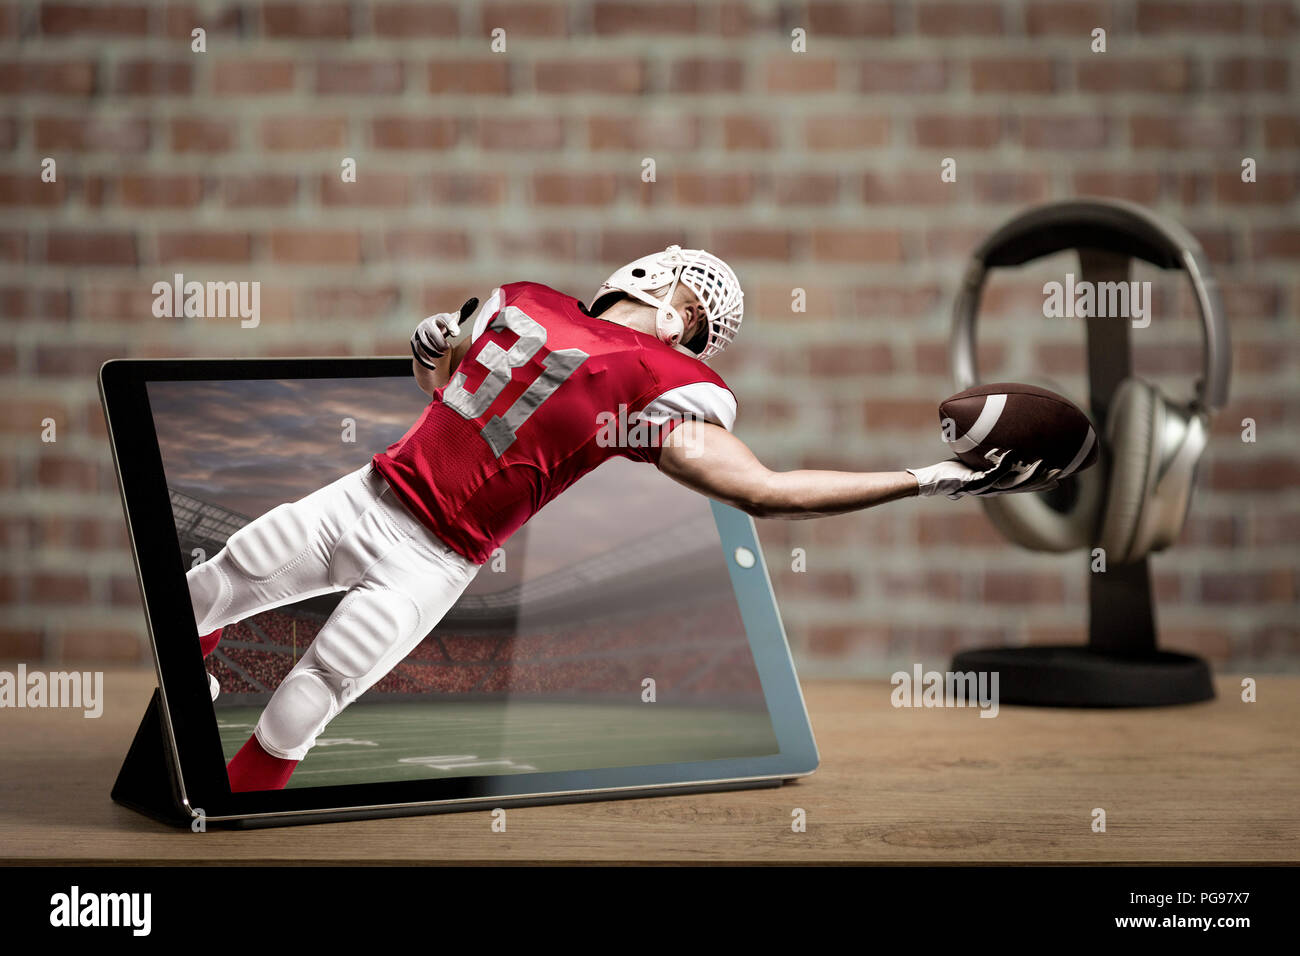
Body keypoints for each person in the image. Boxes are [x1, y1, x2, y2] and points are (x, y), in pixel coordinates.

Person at [187, 245, 1051, 791]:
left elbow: (766, 490)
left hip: (435, 560)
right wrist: (434, 352)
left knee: (304, 704)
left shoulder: (657, 387)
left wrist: (928, 477)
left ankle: (231, 841)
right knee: (201, 589)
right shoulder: (520, 296)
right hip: (367, 493)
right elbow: (456, 388)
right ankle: (205, 667)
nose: (687, 305)